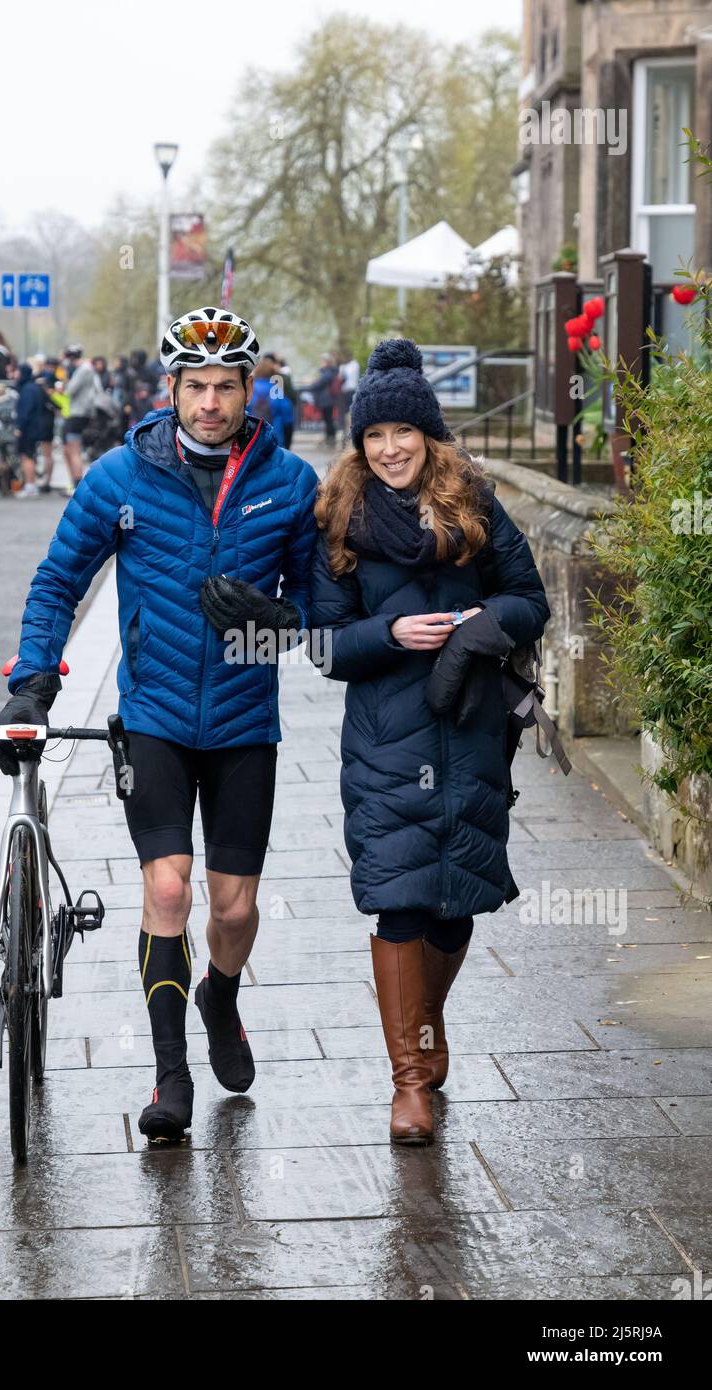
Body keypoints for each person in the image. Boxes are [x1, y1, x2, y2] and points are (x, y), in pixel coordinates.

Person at [0, 306, 319, 1145]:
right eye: (195, 386)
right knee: (168, 887)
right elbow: (57, 581)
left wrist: (276, 618)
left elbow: (325, 610)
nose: (210, 402)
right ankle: (170, 1076)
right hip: (155, 717)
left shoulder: (289, 485)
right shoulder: (120, 478)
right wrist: (34, 681)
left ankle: (221, 994)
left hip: (247, 722)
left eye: (225, 386)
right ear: (169, 389)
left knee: (234, 910)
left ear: (252, 389)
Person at [309, 339, 550, 1145]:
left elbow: (528, 598)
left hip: (471, 729)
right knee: (398, 902)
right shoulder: (339, 515)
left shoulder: (472, 502)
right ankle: (407, 1082)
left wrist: (479, 625)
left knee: (455, 902)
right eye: (373, 438)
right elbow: (323, 642)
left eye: (402, 435)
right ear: (360, 444)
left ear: (428, 437)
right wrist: (390, 631)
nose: (388, 450)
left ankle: (423, 1023)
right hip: (383, 738)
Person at [62, 345, 97, 488]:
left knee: (74, 450)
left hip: (78, 413)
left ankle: (77, 482)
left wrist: (65, 380)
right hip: (84, 412)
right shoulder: (89, 369)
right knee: (74, 449)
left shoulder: (83, 370)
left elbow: (69, 390)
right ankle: (76, 481)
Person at [13, 362, 45, 499]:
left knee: (26, 456)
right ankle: (32, 484)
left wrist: (19, 426)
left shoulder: (27, 390)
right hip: (36, 427)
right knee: (31, 456)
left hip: (28, 429)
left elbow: (25, 410)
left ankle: (30, 485)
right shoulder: (34, 387)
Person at [300, 352, 340, 443]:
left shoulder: (328, 372)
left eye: (322, 361)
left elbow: (320, 383)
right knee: (327, 419)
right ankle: (329, 437)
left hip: (327, 400)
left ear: (326, 362)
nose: (321, 363)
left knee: (328, 419)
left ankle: (331, 438)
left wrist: (309, 385)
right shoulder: (329, 371)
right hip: (326, 400)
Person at [338, 352, 360, 440]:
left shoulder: (354, 365)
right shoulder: (344, 366)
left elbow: (345, 376)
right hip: (344, 391)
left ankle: (350, 430)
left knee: (350, 412)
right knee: (344, 412)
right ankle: (345, 431)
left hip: (351, 390)